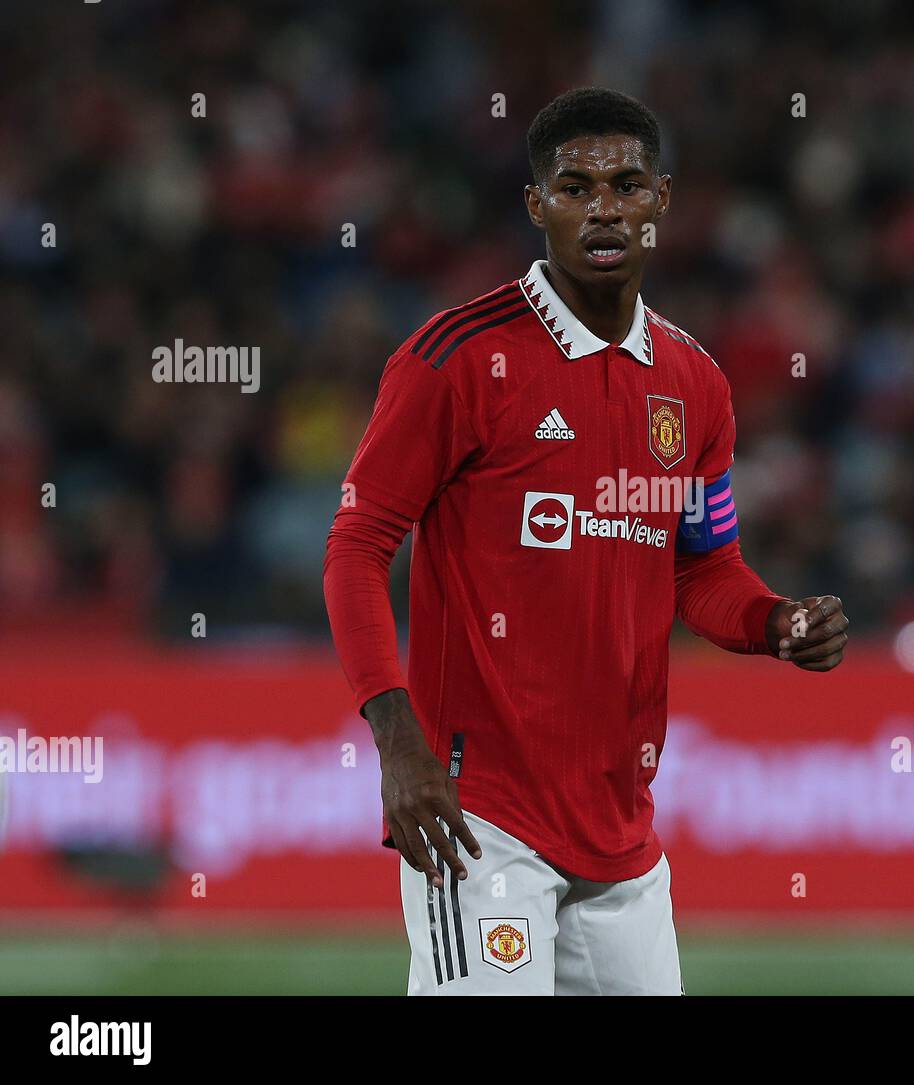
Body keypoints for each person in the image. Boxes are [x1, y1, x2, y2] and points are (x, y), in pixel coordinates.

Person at [323, 86, 848, 996]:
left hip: (621, 826)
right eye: (575, 186)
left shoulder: (696, 385)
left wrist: (775, 622)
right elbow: (357, 546)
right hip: (476, 816)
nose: (603, 206)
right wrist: (396, 734)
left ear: (662, 200)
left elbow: (705, 567)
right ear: (537, 206)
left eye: (627, 185)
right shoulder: (454, 360)